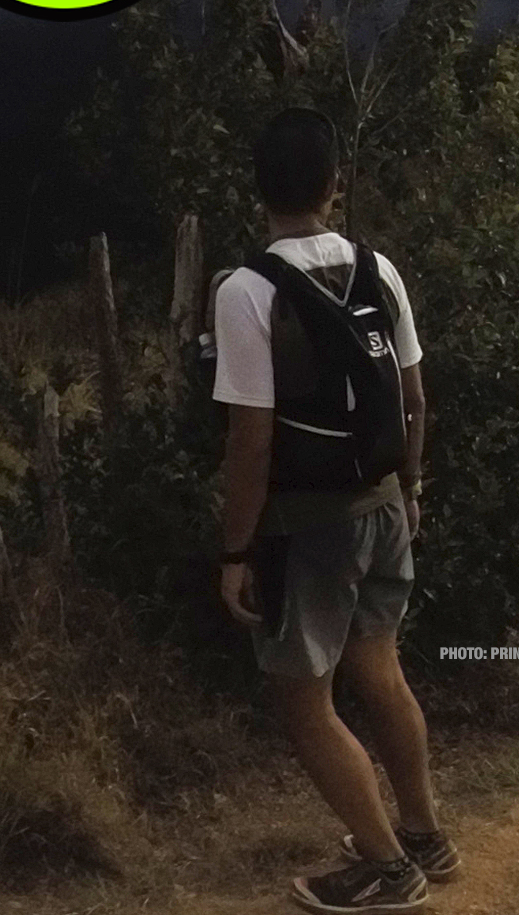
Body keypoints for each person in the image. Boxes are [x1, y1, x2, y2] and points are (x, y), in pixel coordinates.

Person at [212, 108, 458, 914]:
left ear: (259, 193)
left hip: (304, 525)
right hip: (387, 505)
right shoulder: (377, 270)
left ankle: (387, 873)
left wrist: (235, 551)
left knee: (304, 702)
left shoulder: (247, 291)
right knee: (380, 668)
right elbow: (414, 397)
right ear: (333, 185)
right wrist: (412, 491)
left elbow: (251, 443)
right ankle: (423, 835)